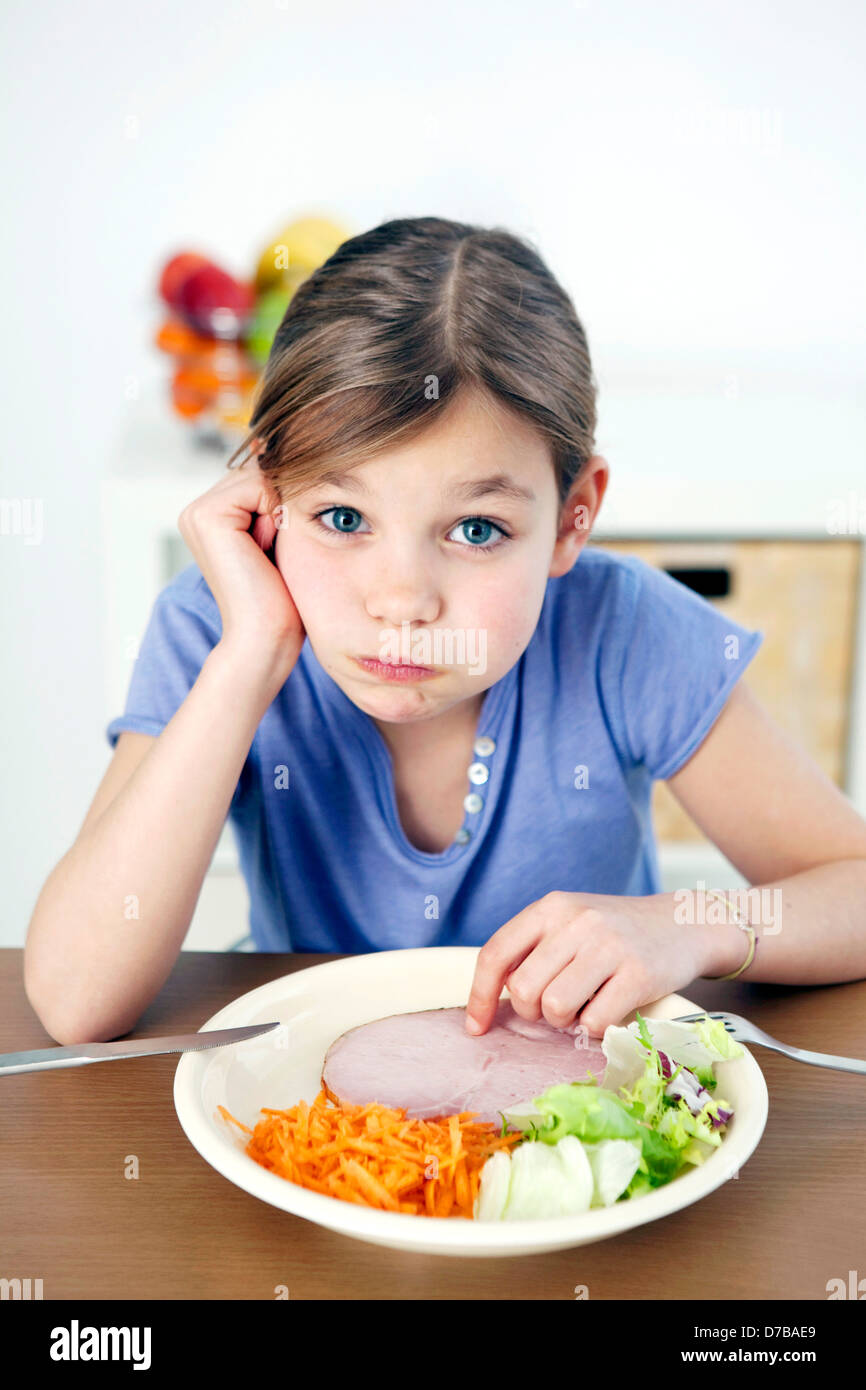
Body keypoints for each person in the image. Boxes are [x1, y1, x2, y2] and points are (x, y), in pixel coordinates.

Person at [25, 216, 866, 1046]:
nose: (401, 601)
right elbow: (74, 999)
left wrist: (691, 922)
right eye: (343, 515)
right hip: (313, 1118)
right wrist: (251, 655)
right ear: (264, 492)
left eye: (474, 530)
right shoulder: (215, 628)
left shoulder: (623, 630)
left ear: (574, 520)